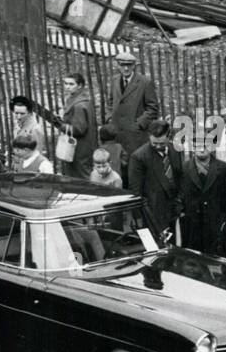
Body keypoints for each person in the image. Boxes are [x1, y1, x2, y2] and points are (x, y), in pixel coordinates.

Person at [101, 50, 160, 178]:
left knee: (136, 168)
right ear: (118, 66)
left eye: (129, 65)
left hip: (135, 136)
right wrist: (109, 117)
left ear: (134, 66)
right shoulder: (115, 80)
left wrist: (138, 124)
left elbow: (153, 108)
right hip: (117, 134)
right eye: (122, 65)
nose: (126, 68)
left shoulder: (144, 82)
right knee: (119, 166)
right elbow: (111, 101)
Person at [33, 72, 96, 180]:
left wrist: (59, 124)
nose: (67, 87)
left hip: (79, 147)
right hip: (79, 146)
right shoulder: (75, 99)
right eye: (66, 84)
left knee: (81, 176)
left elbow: (79, 129)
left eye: (71, 84)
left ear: (80, 85)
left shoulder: (80, 105)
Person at [128, 118, 182, 242]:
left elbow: (180, 177)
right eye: (154, 143)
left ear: (169, 136)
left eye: (161, 143)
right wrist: (139, 219)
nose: (158, 146)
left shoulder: (176, 150)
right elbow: (135, 191)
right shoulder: (139, 157)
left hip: (174, 211)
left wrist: (180, 202)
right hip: (153, 214)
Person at [179, 138, 226, 254]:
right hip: (192, 223)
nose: (202, 149)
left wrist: (224, 219)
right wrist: (182, 213)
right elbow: (180, 193)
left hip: (215, 222)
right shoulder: (184, 168)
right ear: (193, 147)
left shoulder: (223, 168)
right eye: (198, 145)